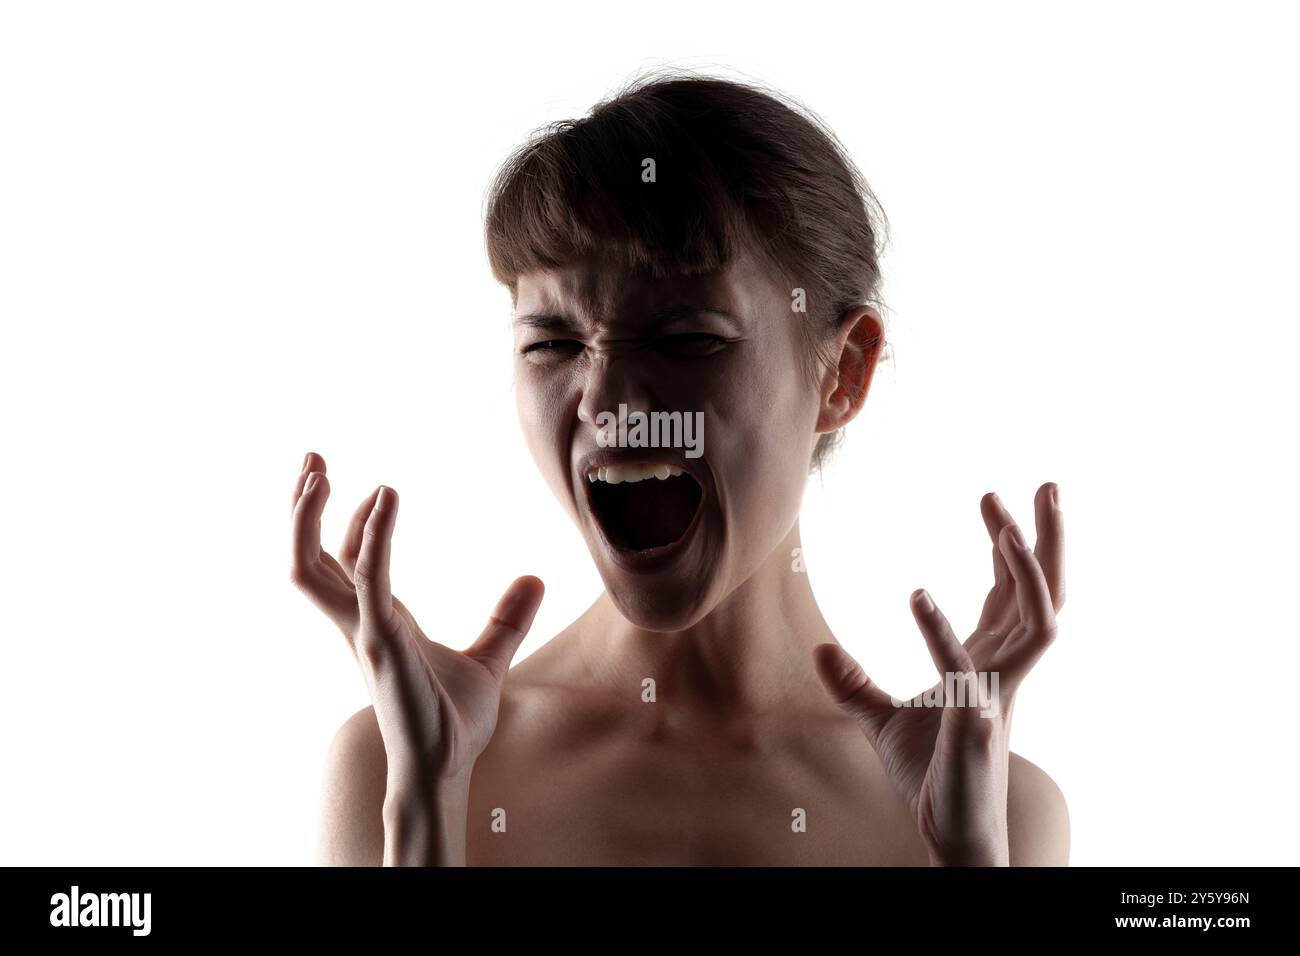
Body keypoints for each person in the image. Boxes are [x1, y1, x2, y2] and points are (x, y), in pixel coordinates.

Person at [290, 71, 1069, 866]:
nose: (608, 405)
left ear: (844, 374)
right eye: (553, 344)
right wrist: (428, 802)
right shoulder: (393, 763)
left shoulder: (1000, 808)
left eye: (689, 338)